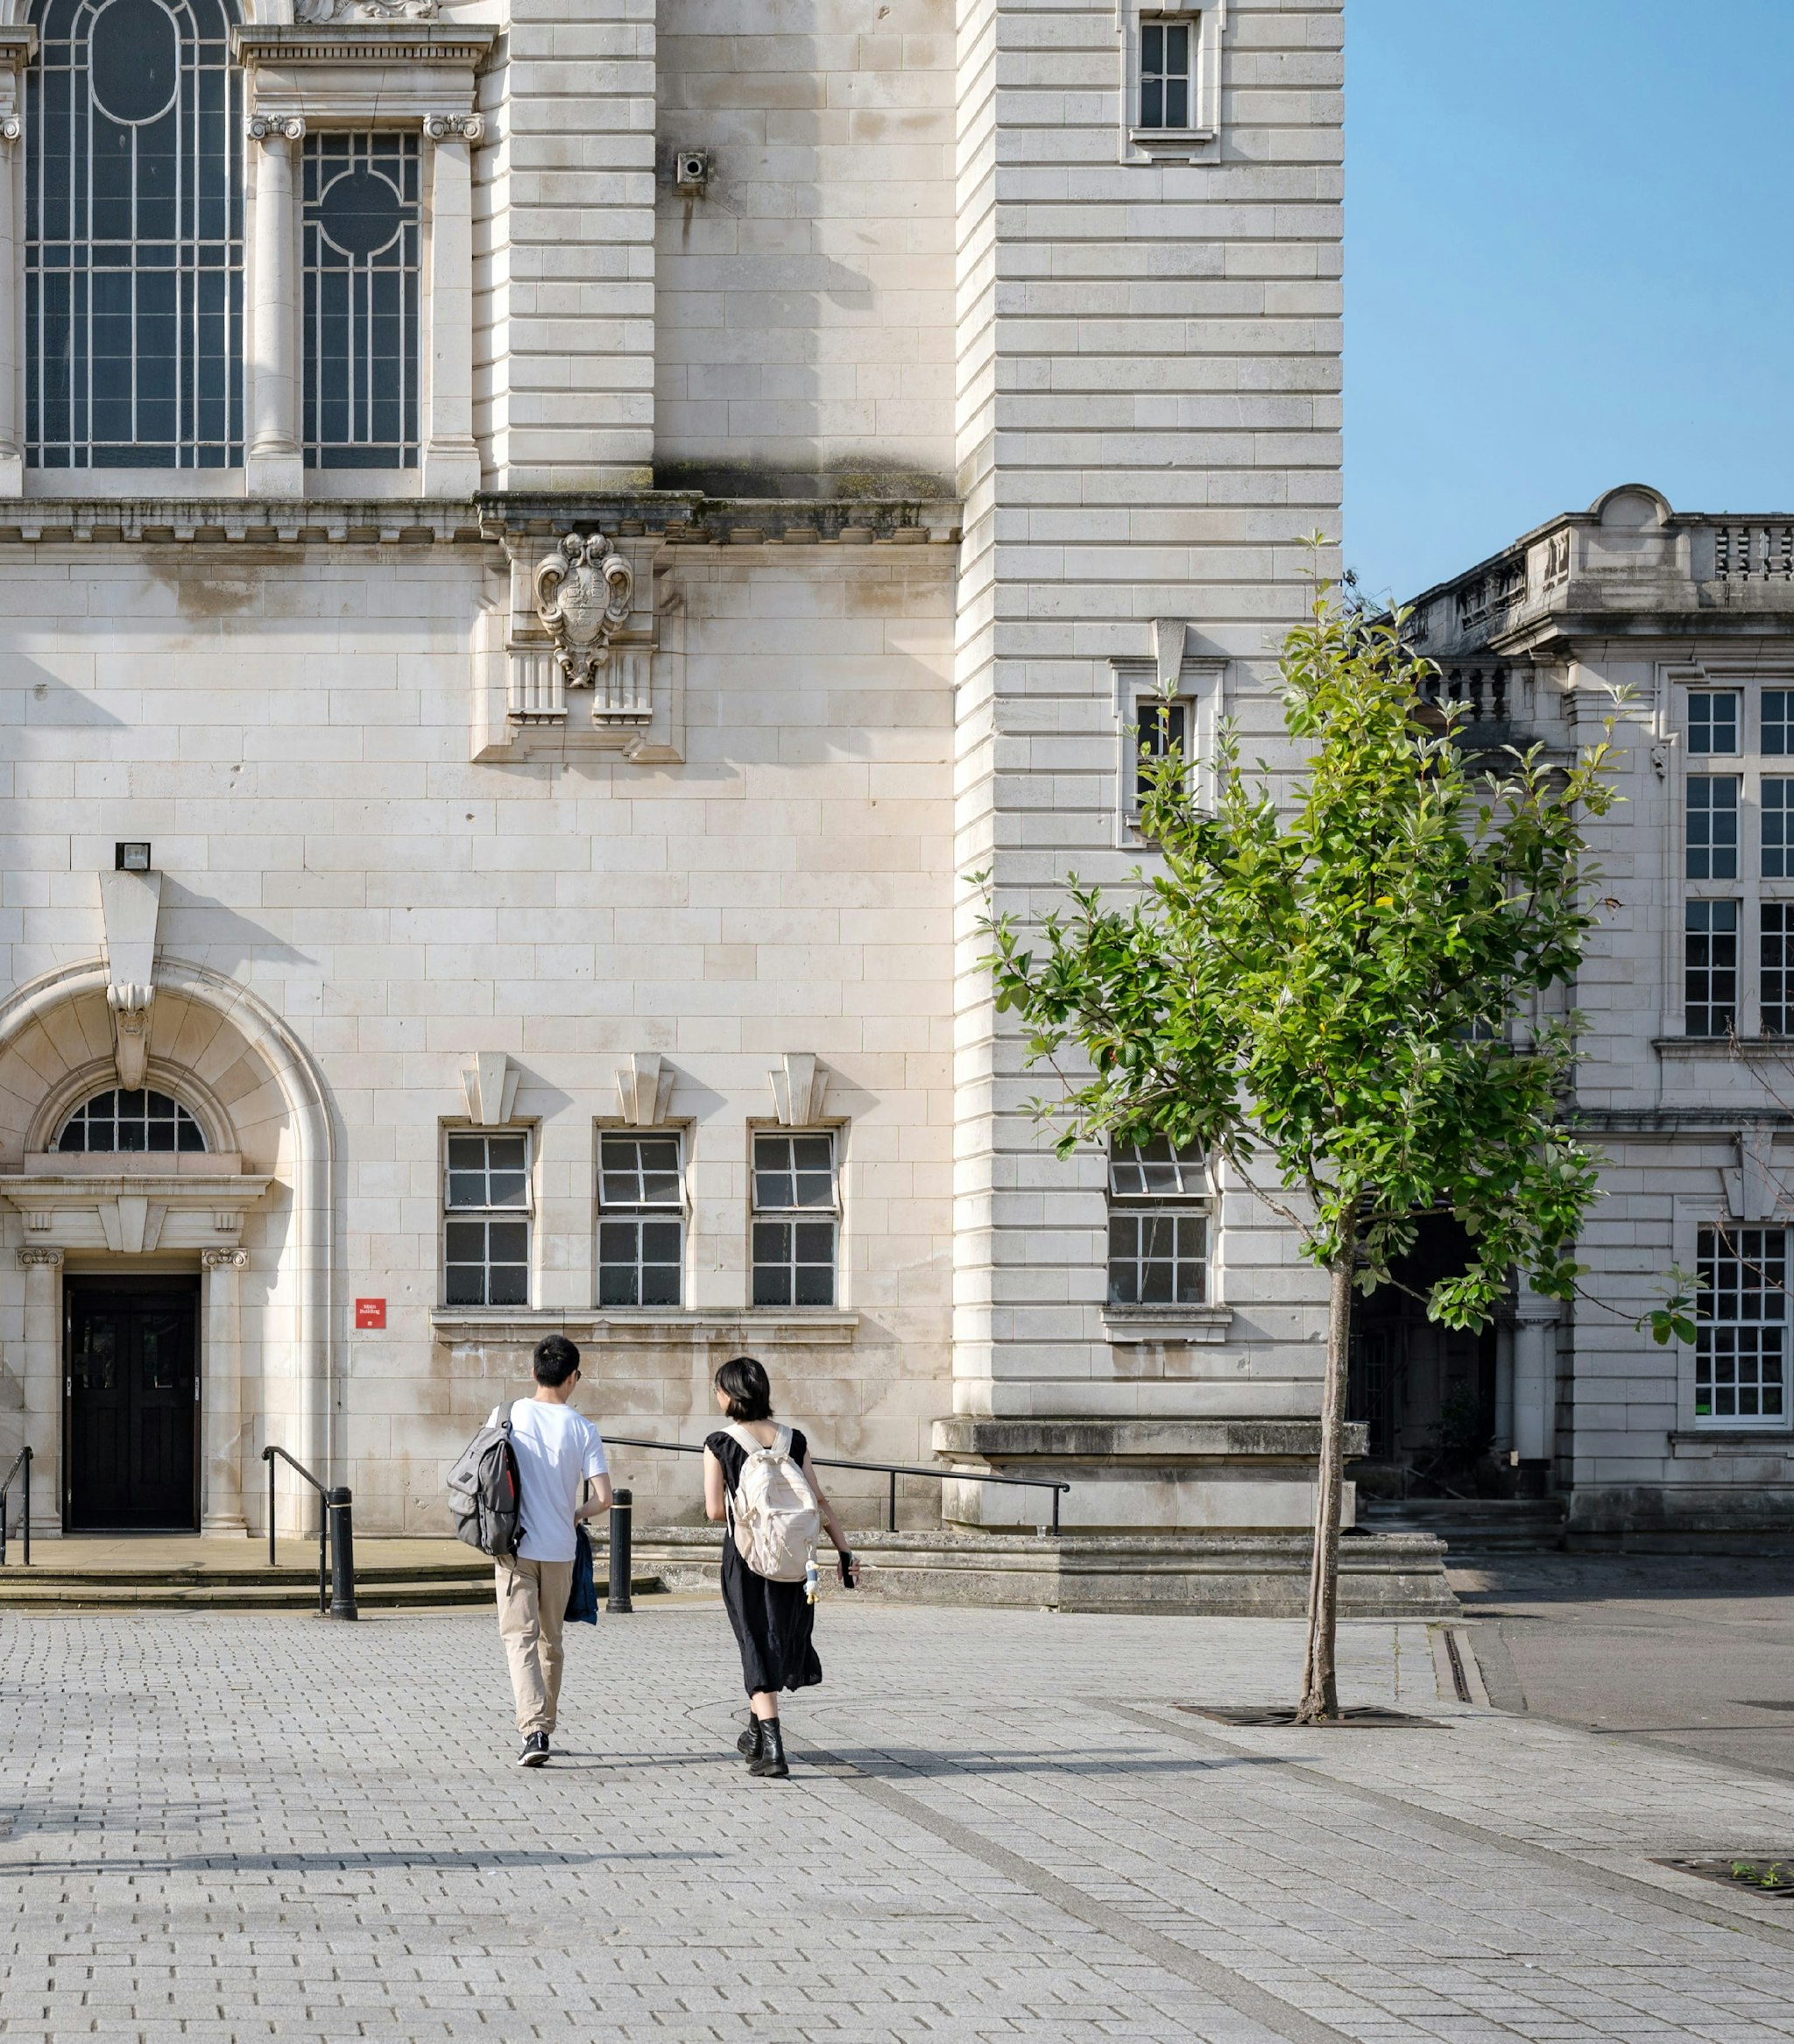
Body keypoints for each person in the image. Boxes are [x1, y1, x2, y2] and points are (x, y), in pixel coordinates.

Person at [703, 1354, 856, 1779]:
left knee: (754, 1642)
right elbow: (819, 1501)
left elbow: (715, 1510)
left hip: (747, 1559)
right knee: (775, 1640)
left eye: (718, 1389)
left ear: (731, 1395)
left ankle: (773, 1747)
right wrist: (845, 1553)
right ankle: (754, 1735)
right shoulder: (795, 1439)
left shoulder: (720, 1442)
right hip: (795, 1560)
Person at [493, 1333, 611, 1767]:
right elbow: (604, 1499)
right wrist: (575, 1513)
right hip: (560, 1549)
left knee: (518, 1639)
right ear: (573, 1378)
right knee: (550, 1641)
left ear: (533, 1372)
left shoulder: (505, 1415)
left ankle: (534, 1732)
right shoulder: (583, 1428)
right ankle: (544, 1724)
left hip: (513, 1545)